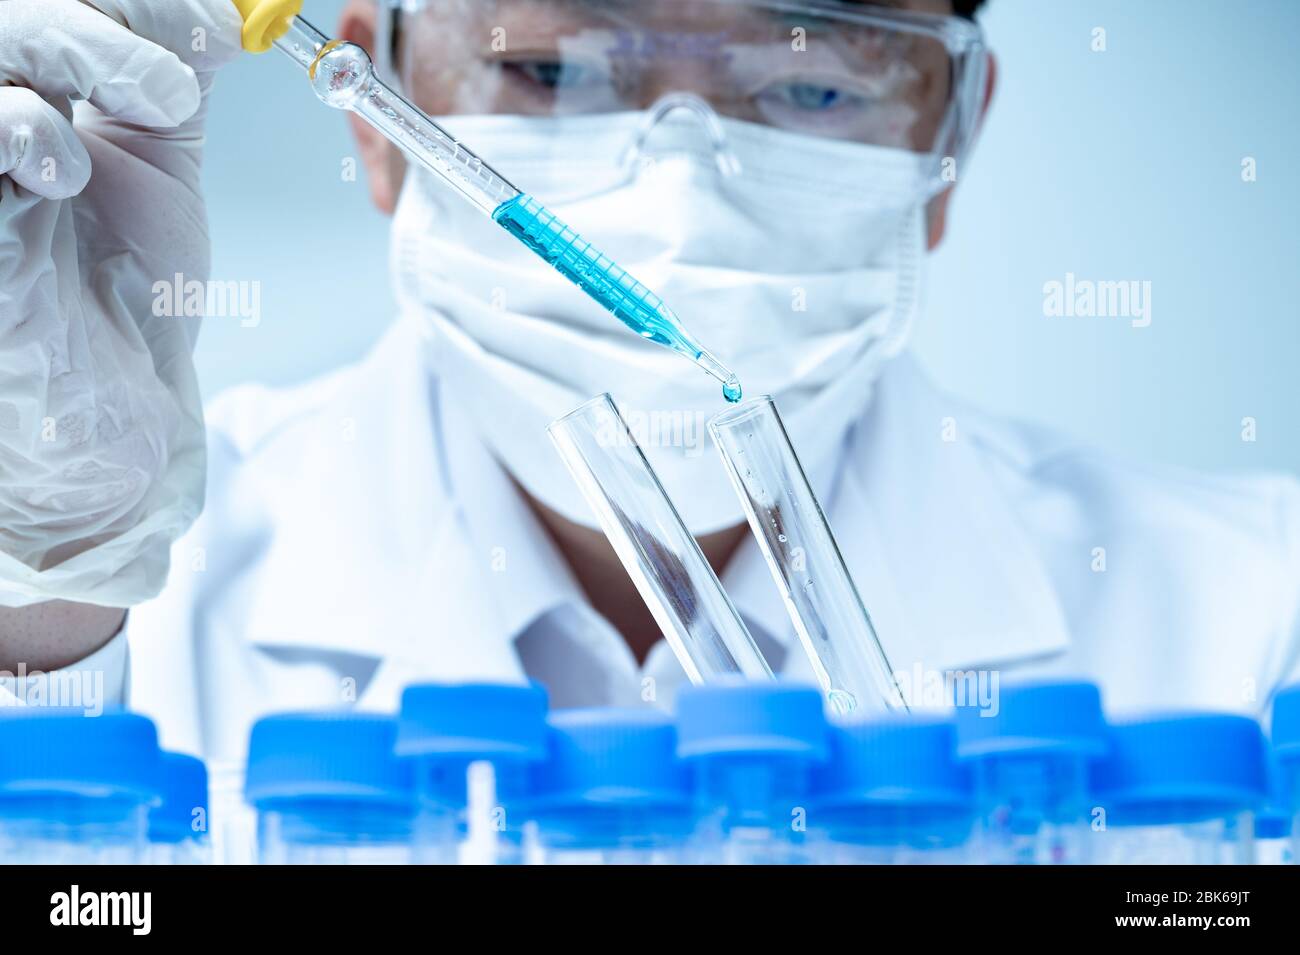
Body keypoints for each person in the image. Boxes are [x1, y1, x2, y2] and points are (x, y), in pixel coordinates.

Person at [1, 0, 1297, 762]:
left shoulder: (1251, 628)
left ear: (953, 138)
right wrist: (47, 607)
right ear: (373, 108)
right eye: (551, 69)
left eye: (812, 83)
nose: (681, 189)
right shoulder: (124, 605)